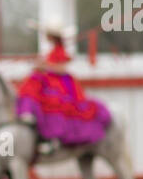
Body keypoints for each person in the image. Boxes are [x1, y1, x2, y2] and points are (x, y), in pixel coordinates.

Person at [16, 19, 112, 152]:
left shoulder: (59, 50)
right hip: (51, 80)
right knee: (34, 83)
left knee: (53, 102)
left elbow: (62, 69)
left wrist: (44, 66)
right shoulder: (53, 50)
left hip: (60, 82)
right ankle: (30, 117)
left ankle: (52, 138)